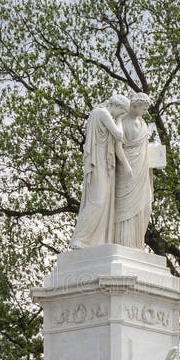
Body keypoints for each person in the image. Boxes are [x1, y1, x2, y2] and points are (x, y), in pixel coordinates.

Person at [70, 95, 132, 248]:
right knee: (97, 201)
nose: (120, 116)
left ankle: (95, 240)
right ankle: (79, 238)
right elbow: (118, 135)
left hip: (104, 162)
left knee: (102, 201)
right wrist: (119, 120)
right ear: (117, 107)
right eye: (121, 112)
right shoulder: (102, 113)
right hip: (98, 161)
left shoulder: (100, 113)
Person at [114, 92, 153, 249]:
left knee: (146, 205)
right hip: (126, 169)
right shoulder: (122, 121)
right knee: (126, 208)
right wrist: (127, 165)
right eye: (143, 108)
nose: (144, 112)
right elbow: (117, 146)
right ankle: (125, 245)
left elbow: (143, 147)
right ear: (135, 105)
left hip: (142, 169)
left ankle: (138, 244)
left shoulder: (142, 123)